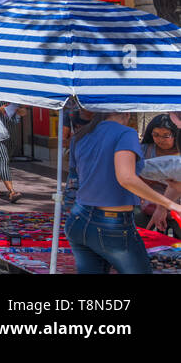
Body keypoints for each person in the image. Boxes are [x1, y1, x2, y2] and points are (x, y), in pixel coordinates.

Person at [66, 112, 180, 273]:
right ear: (127, 111)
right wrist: (170, 204)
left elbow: (73, 181)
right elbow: (126, 178)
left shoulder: (82, 135)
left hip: (78, 218)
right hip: (110, 223)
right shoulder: (125, 133)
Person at [137, 113, 181, 233]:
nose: (160, 140)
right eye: (155, 135)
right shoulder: (144, 150)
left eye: (166, 136)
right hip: (148, 207)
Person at [0, 102, 23, 202]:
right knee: (4, 160)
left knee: (3, 162)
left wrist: (20, 111)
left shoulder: (12, 92)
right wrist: (0, 109)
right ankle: (12, 192)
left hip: (12, 133)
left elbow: (23, 111)